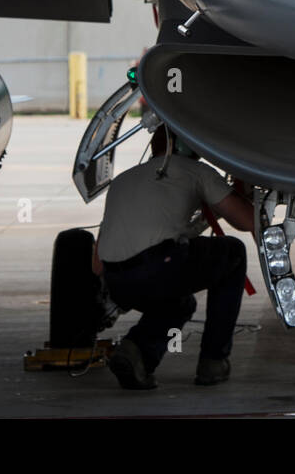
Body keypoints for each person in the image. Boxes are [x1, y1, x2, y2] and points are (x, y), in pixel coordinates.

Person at [92, 125, 255, 390]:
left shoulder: (123, 179)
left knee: (180, 304)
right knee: (233, 252)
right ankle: (213, 361)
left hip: (117, 283)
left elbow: (96, 264)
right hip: (157, 270)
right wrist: (244, 191)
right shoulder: (197, 172)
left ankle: (137, 352)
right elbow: (248, 221)